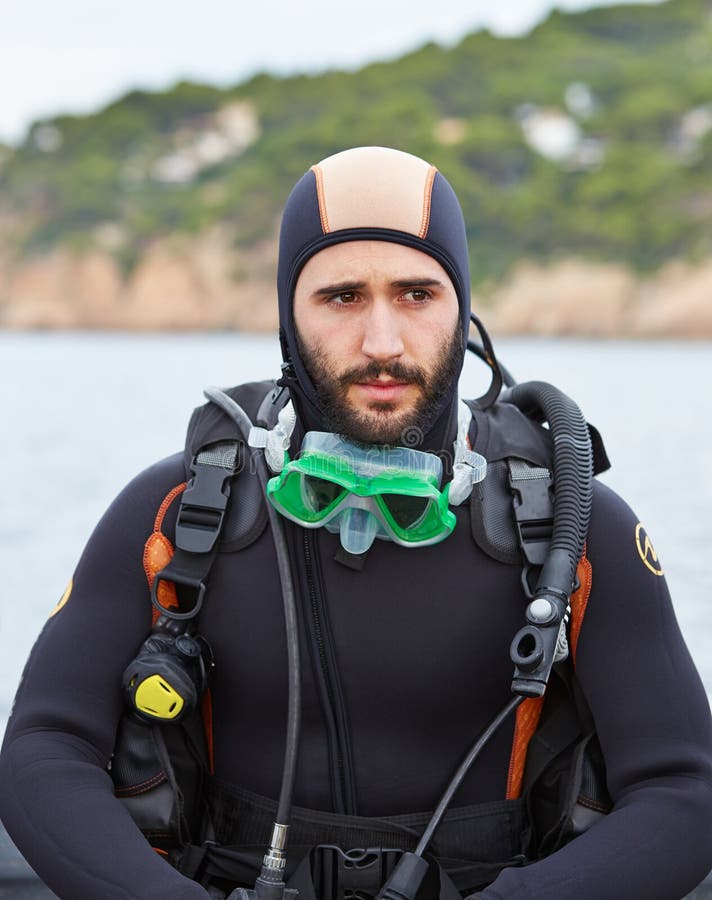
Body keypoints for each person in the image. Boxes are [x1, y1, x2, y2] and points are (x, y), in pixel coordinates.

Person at [1, 146, 712, 900]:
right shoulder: (178, 514)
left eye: (416, 294)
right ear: (287, 318)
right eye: (342, 297)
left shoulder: (571, 527)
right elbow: (45, 747)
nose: (382, 343)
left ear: (462, 310)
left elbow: (684, 788)